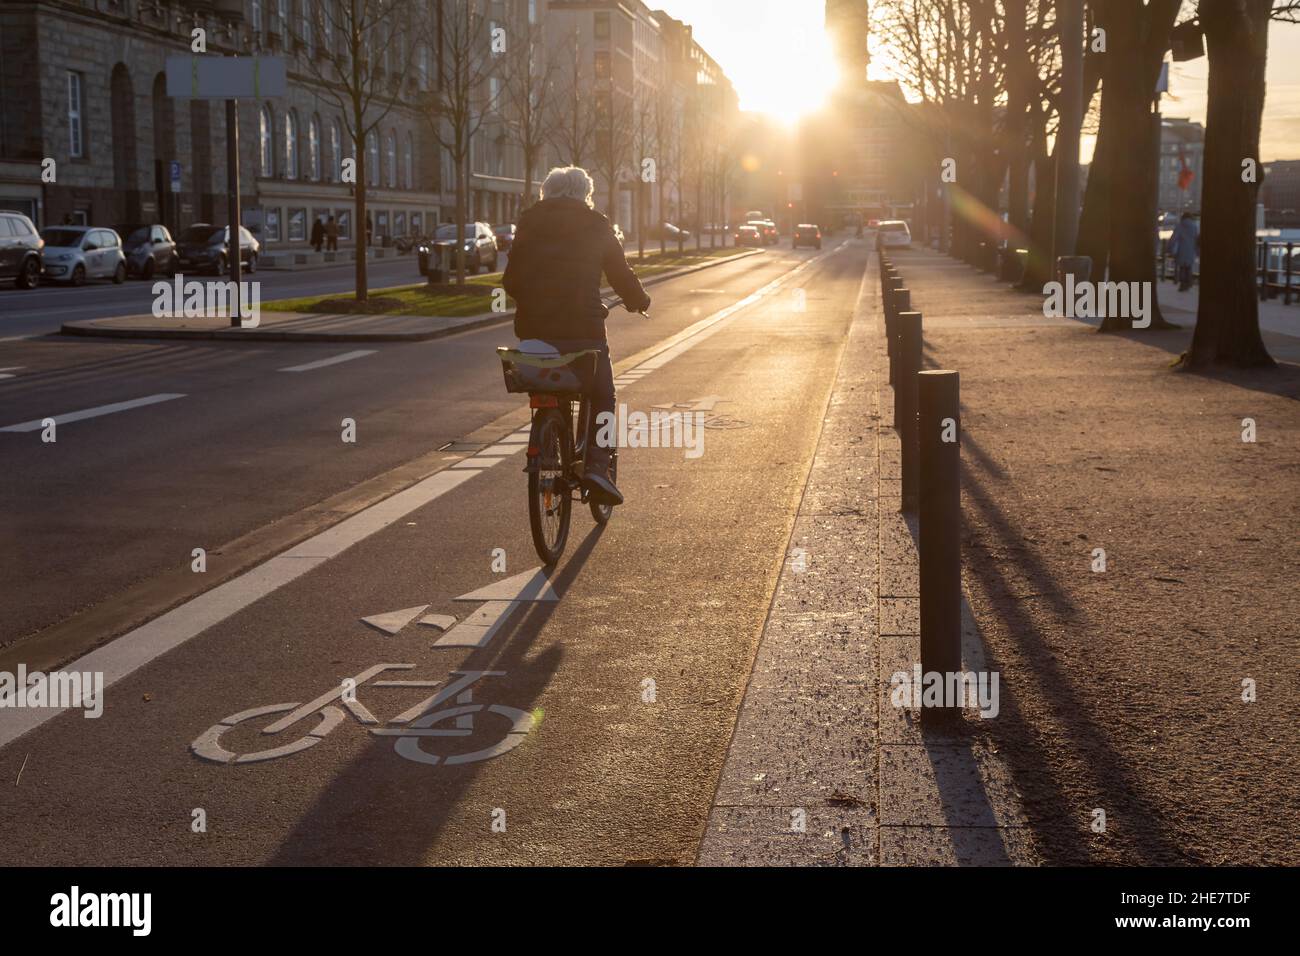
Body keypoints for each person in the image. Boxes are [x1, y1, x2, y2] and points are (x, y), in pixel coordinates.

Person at [503, 166, 651, 507]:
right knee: (602, 395)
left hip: (534, 333)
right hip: (583, 333)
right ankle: (598, 467)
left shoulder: (528, 224)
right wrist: (638, 301)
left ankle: (548, 443)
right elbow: (620, 275)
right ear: (584, 194)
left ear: (547, 192)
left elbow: (510, 281)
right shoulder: (597, 225)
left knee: (546, 383)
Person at [1169, 212, 1200, 292]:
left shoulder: (1180, 226)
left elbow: (1173, 239)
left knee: (1182, 267)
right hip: (1191, 250)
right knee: (1188, 267)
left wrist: (1170, 248)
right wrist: (1197, 251)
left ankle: (1183, 285)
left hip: (1182, 250)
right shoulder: (1195, 226)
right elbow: (1197, 240)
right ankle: (1188, 283)